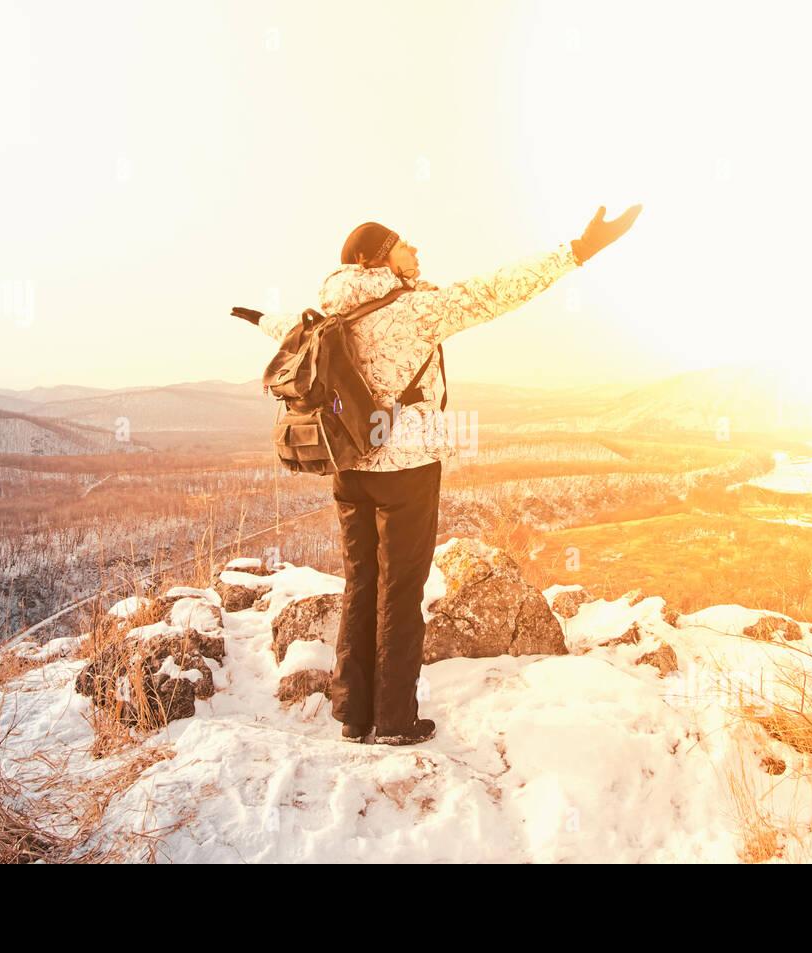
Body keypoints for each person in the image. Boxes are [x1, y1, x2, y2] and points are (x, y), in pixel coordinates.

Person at [236, 204, 642, 744]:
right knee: (401, 591)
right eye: (404, 245)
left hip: (348, 467)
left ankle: (353, 716)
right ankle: (396, 721)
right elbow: (497, 290)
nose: (416, 251)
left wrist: (254, 317)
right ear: (374, 258)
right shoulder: (416, 309)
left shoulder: (327, 315)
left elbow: (283, 329)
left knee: (361, 584)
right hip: (405, 469)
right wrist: (577, 251)